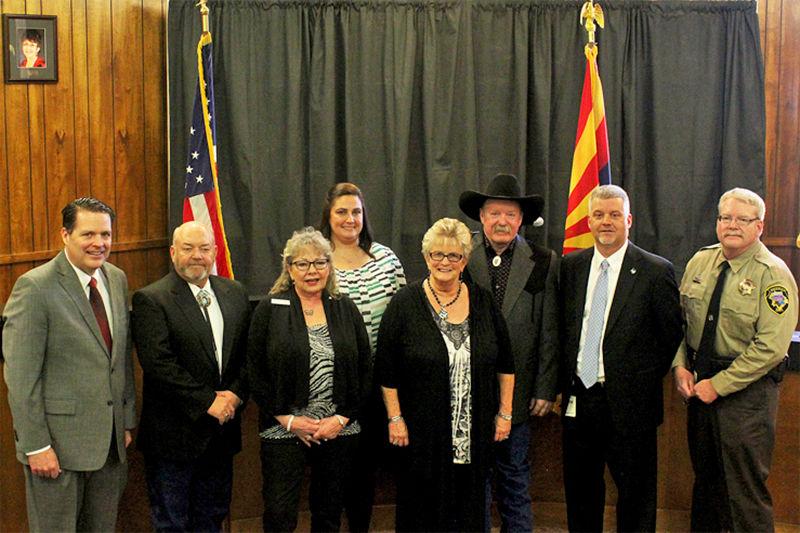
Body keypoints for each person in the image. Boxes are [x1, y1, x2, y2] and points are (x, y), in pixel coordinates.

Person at [2, 197, 136, 532]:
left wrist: (125, 421)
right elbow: (21, 378)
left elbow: (120, 359)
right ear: (65, 234)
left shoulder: (116, 278)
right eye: (88, 234)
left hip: (110, 447)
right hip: (56, 450)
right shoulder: (35, 287)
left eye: (105, 234)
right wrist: (36, 445)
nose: (99, 243)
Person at [376, 217, 515, 532]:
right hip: (420, 436)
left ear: (464, 261)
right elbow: (386, 368)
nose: (445, 262)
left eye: (454, 255)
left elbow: (506, 364)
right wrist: (395, 418)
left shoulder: (483, 301)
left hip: (473, 435)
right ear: (426, 258)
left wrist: (505, 414)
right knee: (422, 514)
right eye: (437, 254)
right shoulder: (404, 303)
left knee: (469, 514)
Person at [672, 187, 797, 532]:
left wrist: (720, 385)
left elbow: (771, 347)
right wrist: (680, 365)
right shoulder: (701, 261)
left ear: (759, 226)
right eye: (725, 218)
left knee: (743, 490)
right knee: (706, 483)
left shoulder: (773, 274)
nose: (732, 225)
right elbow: (680, 322)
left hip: (747, 393)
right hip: (700, 385)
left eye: (743, 219)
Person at [558, 185, 682, 532]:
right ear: (588, 221)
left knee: (636, 496)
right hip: (580, 399)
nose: (606, 222)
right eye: (599, 215)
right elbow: (564, 328)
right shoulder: (571, 267)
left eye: (614, 215)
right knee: (581, 492)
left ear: (629, 220)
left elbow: (670, 335)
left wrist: (636, 380)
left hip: (631, 406)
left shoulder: (655, 270)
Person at [247, 227, 371, 532]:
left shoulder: (345, 307)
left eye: (319, 262)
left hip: (337, 426)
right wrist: (289, 420)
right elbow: (254, 370)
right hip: (283, 425)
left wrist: (341, 418)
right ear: (289, 269)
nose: (312, 271)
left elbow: (365, 369)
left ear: (329, 267)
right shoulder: (269, 309)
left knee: (329, 513)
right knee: (279, 514)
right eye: (302, 263)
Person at [131, 221, 251, 532]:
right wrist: (208, 401)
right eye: (188, 248)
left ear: (215, 252)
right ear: (173, 252)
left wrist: (235, 395)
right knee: (172, 523)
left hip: (221, 434)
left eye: (204, 248)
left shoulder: (235, 292)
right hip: (173, 438)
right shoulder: (151, 299)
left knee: (212, 518)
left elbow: (248, 355)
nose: (197, 255)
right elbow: (159, 364)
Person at [459, 173, 559, 532]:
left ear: (521, 220)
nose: (502, 221)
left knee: (514, 476)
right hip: (469, 390)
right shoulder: (459, 255)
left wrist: (545, 388)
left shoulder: (543, 260)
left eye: (510, 214)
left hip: (518, 392)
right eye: (494, 213)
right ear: (481, 216)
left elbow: (549, 329)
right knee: (475, 479)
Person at [319, 182, 406, 531]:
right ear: (328, 216)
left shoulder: (386, 259)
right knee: (330, 475)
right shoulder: (318, 259)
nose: (350, 219)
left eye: (356, 211)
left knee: (365, 472)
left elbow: (403, 318)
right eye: (341, 211)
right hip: (331, 386)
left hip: (378, 387)